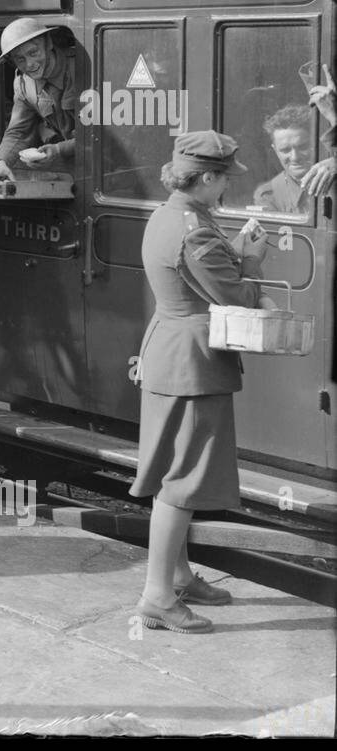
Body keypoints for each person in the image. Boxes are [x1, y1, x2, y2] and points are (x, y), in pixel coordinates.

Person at [130, 131, 271, 634]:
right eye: (225, 179)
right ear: (206, 177)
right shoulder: (195, 230)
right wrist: (251, 258)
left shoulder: (170, 215)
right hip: (191, 364)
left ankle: (180, 577)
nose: (227, 188)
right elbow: (232, 295)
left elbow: (194, 276)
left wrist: (232, 247)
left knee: (175, 472)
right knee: (183, 480)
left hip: (168, 352)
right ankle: (157, 597)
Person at [0, 17, 83, 183]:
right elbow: (18, 131)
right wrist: (1, 162)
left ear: (48, 44)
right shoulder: (24, 85)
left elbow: (102, 132)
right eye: (20, 59)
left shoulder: (83, 69)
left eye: (33, 53)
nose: (30, 64)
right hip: (75, 164)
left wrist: (60, 150)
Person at [253, 104, 335, 213]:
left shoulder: (333, 175)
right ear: (275, 150)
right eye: (285, 150)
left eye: (302, 147)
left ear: (315, 143)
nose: (295, 157)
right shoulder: (269, 195)